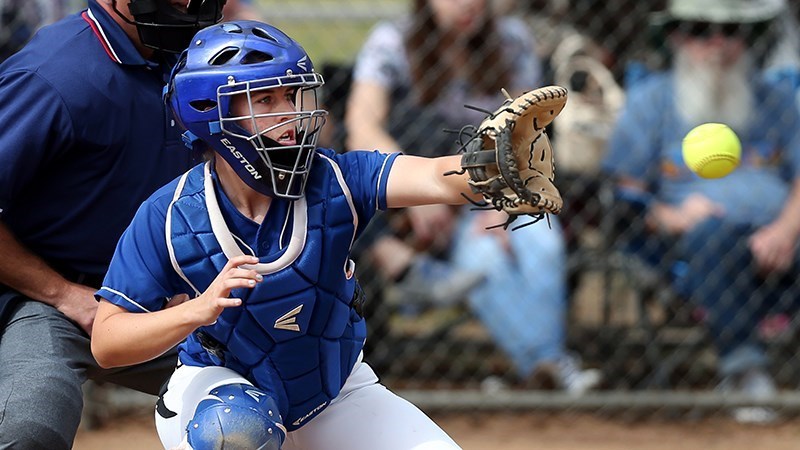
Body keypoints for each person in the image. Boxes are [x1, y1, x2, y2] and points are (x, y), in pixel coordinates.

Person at [89, 20, 477, 449]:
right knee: (235, 433)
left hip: (334, 392)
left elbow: (437, 178)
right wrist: (197, 311)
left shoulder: (336, 178)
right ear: (212, 113)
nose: (290, 116)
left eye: (290, 96)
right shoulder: (170, 215)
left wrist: (489, 168)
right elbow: (107, 342)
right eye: (266, 100)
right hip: (218, 397)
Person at [0, 1, 226, 448]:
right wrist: (64, 295)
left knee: (260, 406)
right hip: (50, 295)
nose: (189, 5)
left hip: (161, 296)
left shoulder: (198, 59)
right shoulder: (54, 75)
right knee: (30, 431)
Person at [346, 0, 600, 392]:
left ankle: (539, 368)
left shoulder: (510, 40)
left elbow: (525, 132)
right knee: (486, 260)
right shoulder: (392, 42)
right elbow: (362, 127)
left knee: (542, 246)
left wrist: (503, 200)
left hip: (496, 192)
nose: (469, 3)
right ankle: (552, 368)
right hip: (425, 197)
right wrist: (414, 189)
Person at [603, 0, 800, 423]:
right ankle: (745, 372)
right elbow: (626, 194)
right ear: (675, 36)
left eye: (731, 32)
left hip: (785, 241)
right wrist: (669, 216)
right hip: (697, 247)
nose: (717, 44)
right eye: (700, 29)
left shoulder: (778, 99)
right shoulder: (650, 101)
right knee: (711, 237)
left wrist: (785, 229)